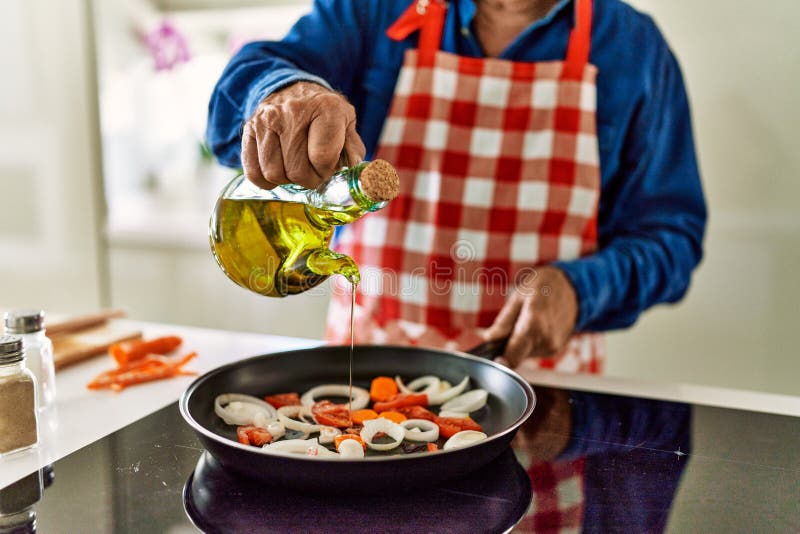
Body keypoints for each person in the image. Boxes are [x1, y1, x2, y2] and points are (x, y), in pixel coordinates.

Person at [207, 0, 706, 373]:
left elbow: (670, 238)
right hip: (365, 380)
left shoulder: (634, 49)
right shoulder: (374, 11)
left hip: (542, 394)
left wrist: (582, 289)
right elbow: (240, 95)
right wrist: (287, 94)